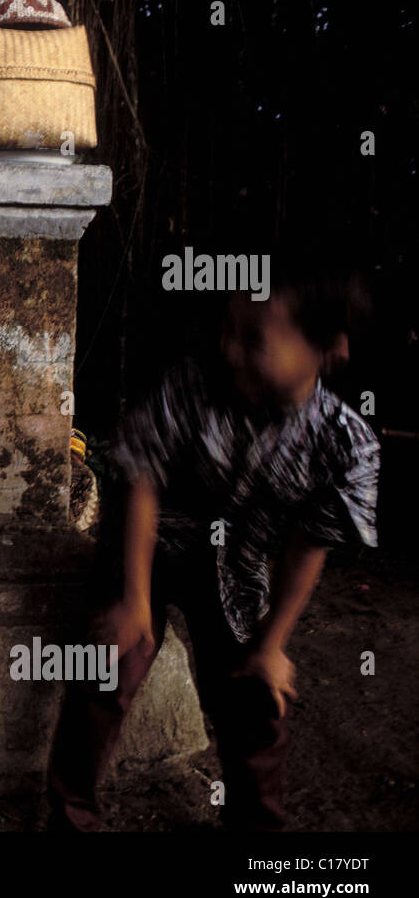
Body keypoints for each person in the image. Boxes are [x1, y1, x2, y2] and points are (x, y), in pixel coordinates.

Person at [47, 258, 381, 831]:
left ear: (330, 350)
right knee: (109, 660)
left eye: (253, 339)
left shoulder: (347, 446)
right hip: (149, 547)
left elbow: (308, 546)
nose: (230, 349)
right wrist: (135, 603)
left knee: (256, 695)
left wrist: (272, 644)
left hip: (240, 569)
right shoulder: (191, 385)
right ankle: (70, 816)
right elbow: (142, 483)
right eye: (229, 330)